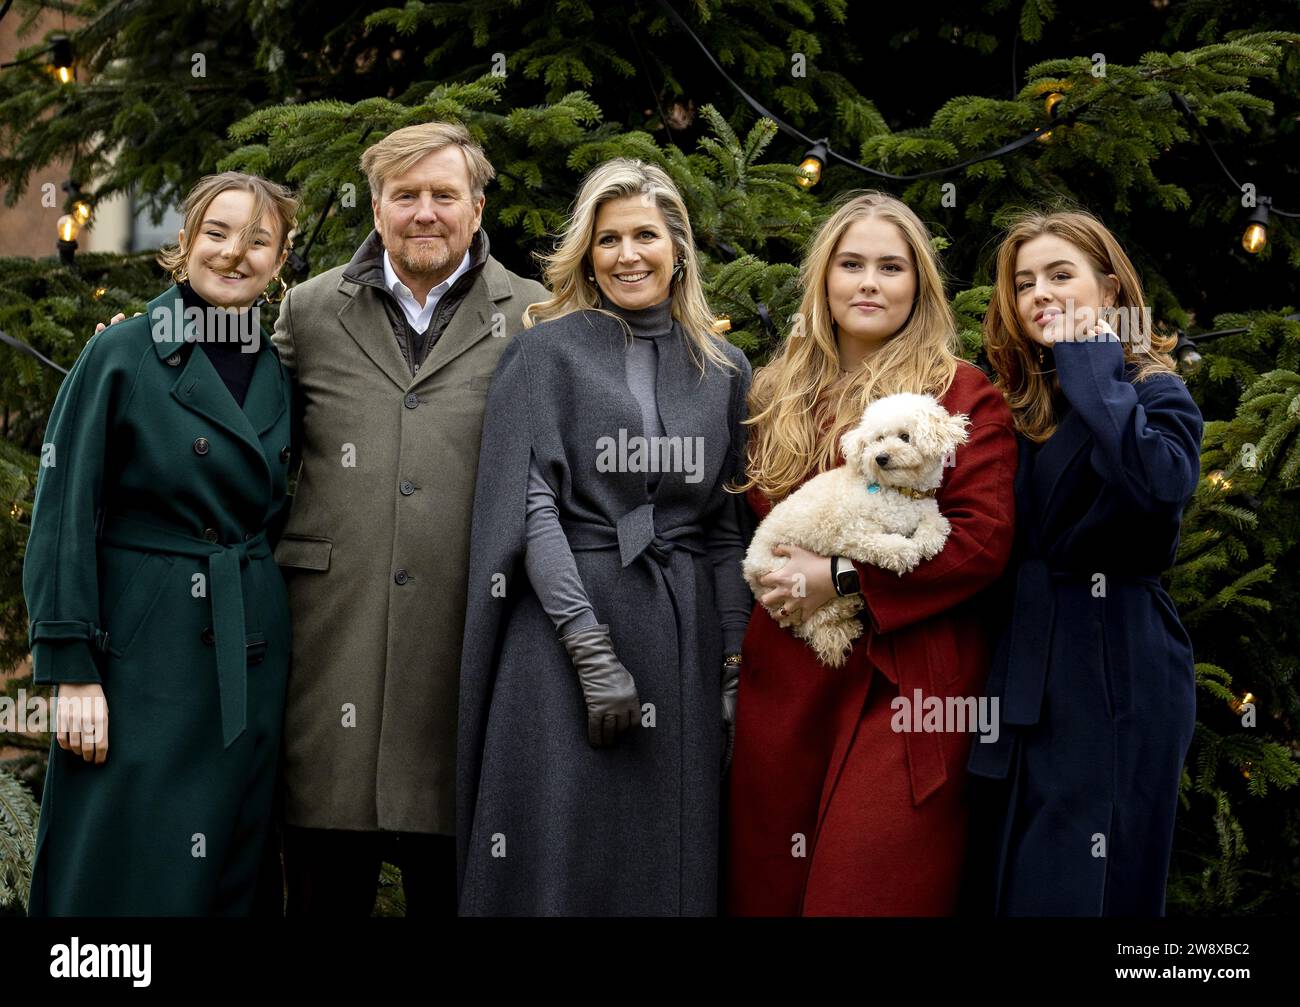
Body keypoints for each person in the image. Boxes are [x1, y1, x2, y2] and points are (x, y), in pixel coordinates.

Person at [457, 158, 753, 915]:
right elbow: (530, 507)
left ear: (678, 246)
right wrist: (589, 651)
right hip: (564, 636)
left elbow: (725, 528)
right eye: (608, 238)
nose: (628, 254)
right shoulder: (543, 351)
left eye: (646, 235)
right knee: (561, 846)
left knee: (665, 863)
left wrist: (730, 662)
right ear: (586, 253)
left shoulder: (722, 367)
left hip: (679, 639)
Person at [267, 122, 547, 916]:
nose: (425, 211)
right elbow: (246, 431)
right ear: (378, 206)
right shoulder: (311, 311)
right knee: (322, 887)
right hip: (331, 650)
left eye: (443, 194)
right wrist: (153, 345)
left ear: (477, 205)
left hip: (466, 646)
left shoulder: (532, 314)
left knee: (457, 881)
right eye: (405, 195)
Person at [726, 191, 1017, 916]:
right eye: (851, 263)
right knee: (773, 890)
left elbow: (982, 540)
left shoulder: (959, 394)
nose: (869, 282)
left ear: (918, 284)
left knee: (867, 888)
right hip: (788, 683)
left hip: (905, 686)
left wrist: (845, 578)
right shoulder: (772, 392)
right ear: (824, 278)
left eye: (891, 267)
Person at [25, 171, 299, 915]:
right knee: (125, 864)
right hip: (141, 656)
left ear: (280, 260)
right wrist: (71, 668)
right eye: (217, 233)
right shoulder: (124, 350)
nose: (234, 253)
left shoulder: (279, 369)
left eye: (258, 240)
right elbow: (63, 509)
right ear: (184, 242)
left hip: (250, 650)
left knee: (230, 870)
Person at [965, 209, 1202, 916]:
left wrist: (1096, 364)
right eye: (1024, 282)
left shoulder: (1157, 392)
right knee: (1010, 878)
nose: (1039, 292)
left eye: (1060, 275)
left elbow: (1158, 487)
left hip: (1118, 662)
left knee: (1087, 883)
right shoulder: (1011, 405)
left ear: (1110, 289)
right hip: (1022, 665)